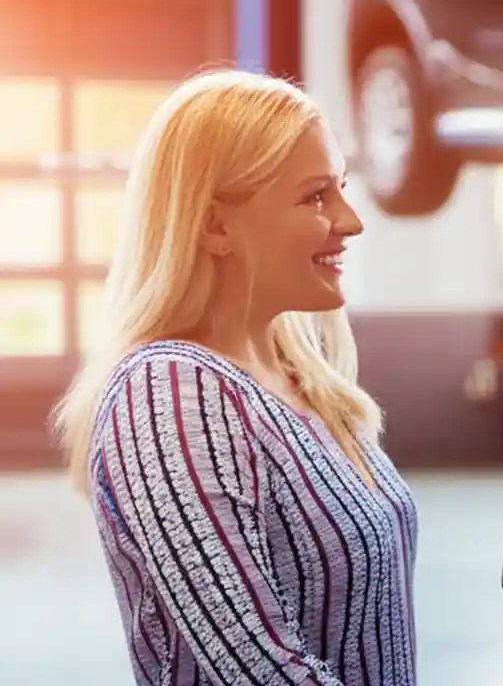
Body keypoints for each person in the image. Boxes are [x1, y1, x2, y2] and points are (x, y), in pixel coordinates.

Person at [53, 70, 418, 685]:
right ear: (215, 225)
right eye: (316, 197)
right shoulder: (167, 392)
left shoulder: (303, 375)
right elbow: (258, 673)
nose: (351, 222)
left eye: (342, 190)